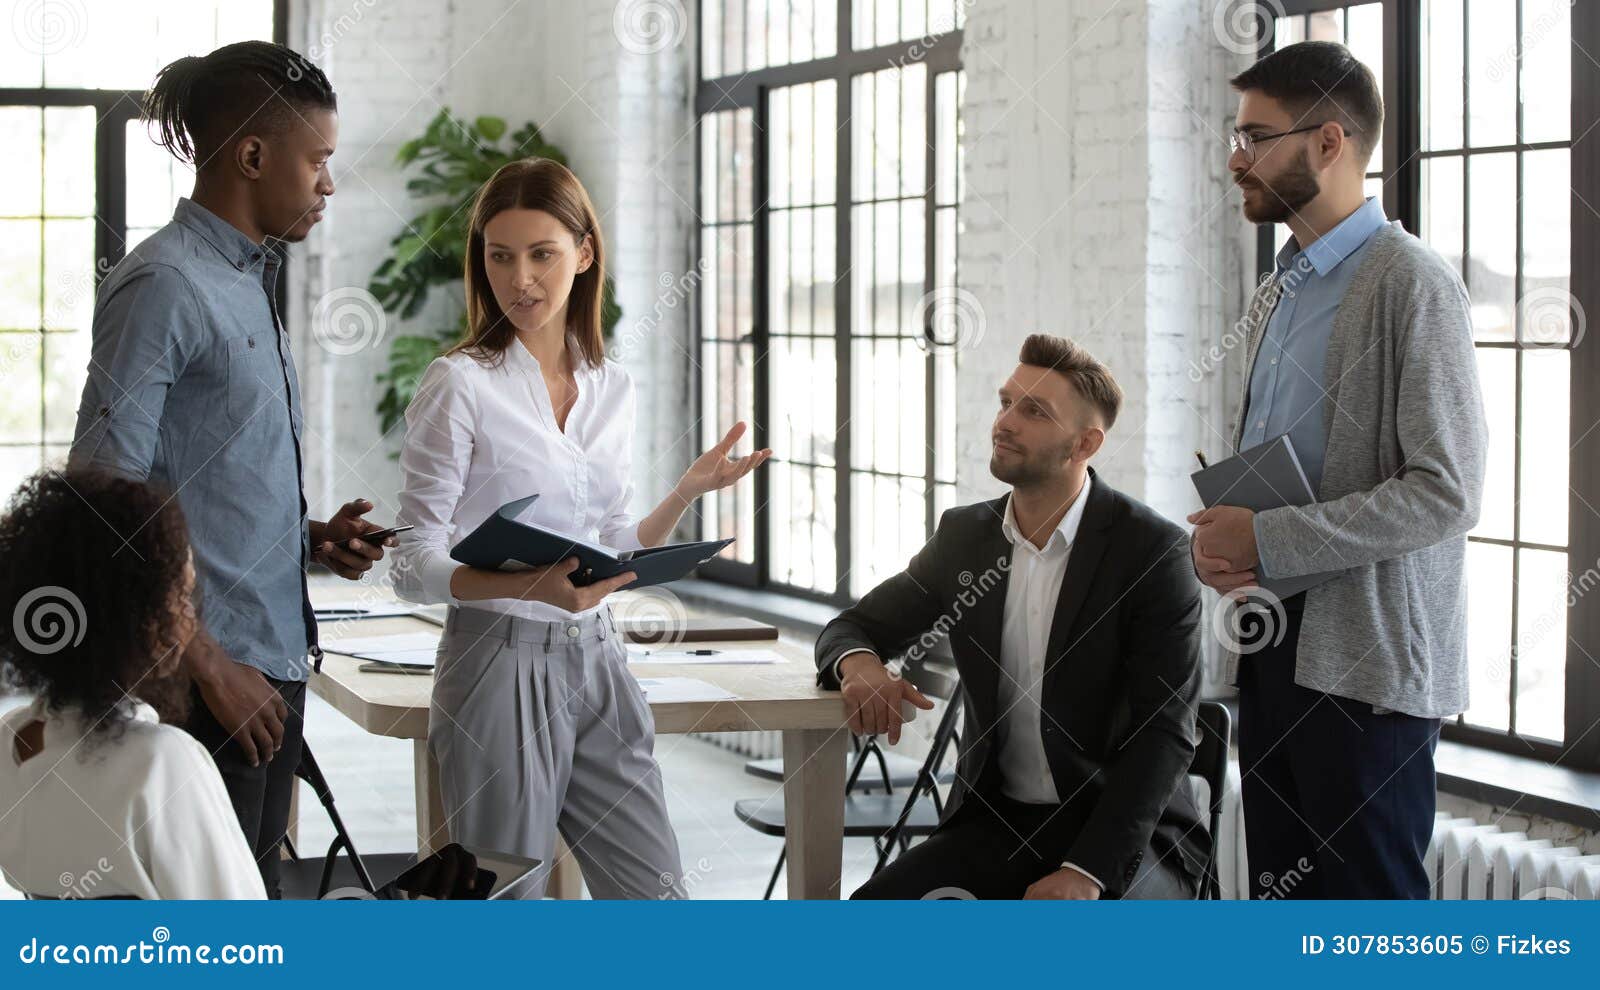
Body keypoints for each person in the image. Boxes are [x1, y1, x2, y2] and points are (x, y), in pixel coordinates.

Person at [67, 42, 395, 898]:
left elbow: (197, 477)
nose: (328, 184)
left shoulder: (244, 278)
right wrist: (208, 663)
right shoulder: (166, 286)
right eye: (318, 160)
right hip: (205, 684)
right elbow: (99, 503)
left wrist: (308, 538)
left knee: (250, 909)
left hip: (270, 663)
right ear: (253, 156)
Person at [393, 157, 770, 899]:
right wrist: (521, 583)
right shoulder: (460, 383)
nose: (520, 279)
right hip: (496, 667)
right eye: (500, 256)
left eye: (542, 254)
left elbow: (607, 544)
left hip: (597, 660)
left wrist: (684, 494)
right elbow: (410, 562)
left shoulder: (611, 387)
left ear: (584, 253)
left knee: (656, 897)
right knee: (507, 913)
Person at [1190, 41, 1487, 899]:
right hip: (1271, 649)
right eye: (1232, 137)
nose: (1237, 159)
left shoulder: (1414, 284)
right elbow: (1284, 468)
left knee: (1369, 926)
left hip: (1368, 672)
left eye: (1256, 136)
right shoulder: (1277, 289)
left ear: (1329, 142)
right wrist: (1228, 545)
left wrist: (1270, 538)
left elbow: (1447, 490)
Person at [818, 335, 1206, 900]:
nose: (1005, 422)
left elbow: (1165, 735)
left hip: (1126, 836)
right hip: (998, 823)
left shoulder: (1151, 553)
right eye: (1005, 402)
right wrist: (859, 666)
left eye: (1034, 411)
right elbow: (853, 626)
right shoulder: (965, 538)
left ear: (1085, 443)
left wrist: (1086, 872)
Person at [0, 470, 265, 900]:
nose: (188, 619)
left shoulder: (10, 743)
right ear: (133, 617)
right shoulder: (162, 763)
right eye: (180, 595)